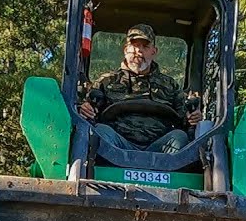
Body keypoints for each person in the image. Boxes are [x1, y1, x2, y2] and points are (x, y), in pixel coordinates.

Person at [77, 24, 203, 154]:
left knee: (179, 136)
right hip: (117, 147)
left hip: (160, 151)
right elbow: (90, 111)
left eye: (145, 46)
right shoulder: (106, 81)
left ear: (154, 51)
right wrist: (86, 108)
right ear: (126, 50)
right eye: (135, 45)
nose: (139, 51)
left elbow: (185, 119)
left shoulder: (170, 85)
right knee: (101, 131)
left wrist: (193, 118)